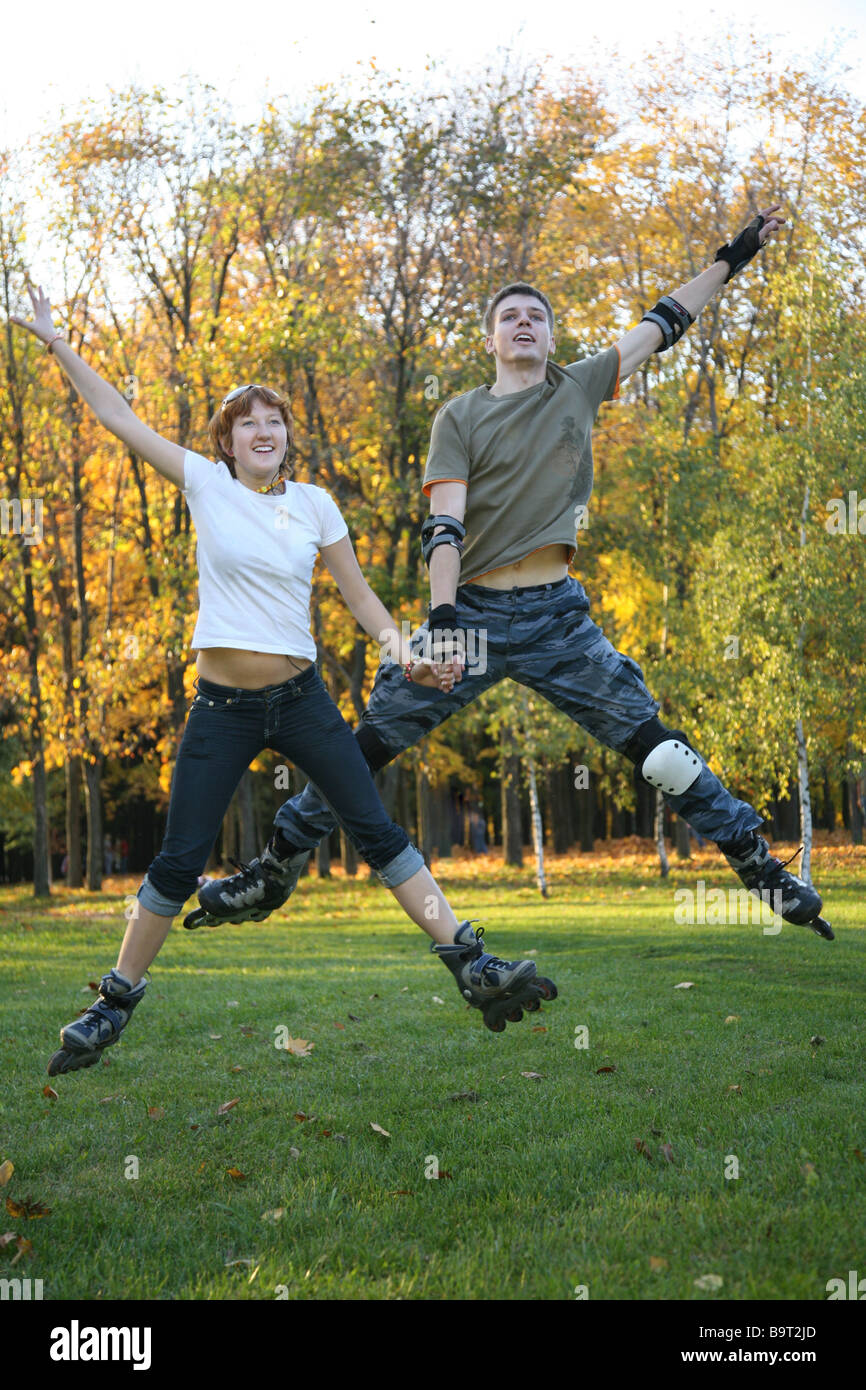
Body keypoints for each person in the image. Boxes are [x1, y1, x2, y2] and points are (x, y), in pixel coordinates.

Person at [201, 205, 833, 943]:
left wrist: (736, 255)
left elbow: (664, 322)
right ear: (492, 339)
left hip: (557, 620)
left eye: (536, 315)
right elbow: (446, 525)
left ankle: (761, 869)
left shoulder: (580, 384)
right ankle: (270, 873)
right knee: (361, 748)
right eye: (510, 317)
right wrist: (440, 620)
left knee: (658, 749)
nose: (524, 323)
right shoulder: (460, 417)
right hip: (467, 618)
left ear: (552, 336)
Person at [12, 286, 559, 1076]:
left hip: (301, 702)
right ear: (227, 443)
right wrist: (61, 344)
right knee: (176, 860)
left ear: (286, 439)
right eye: (247, 422)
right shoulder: (205, 484)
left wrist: (407, 654)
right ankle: (114, 1000)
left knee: (378, 832)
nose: (262, 430)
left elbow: (363, 600)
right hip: (223, 707)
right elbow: (119, 419)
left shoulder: (313, 505)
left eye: (274, 421)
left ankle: (470, 964)